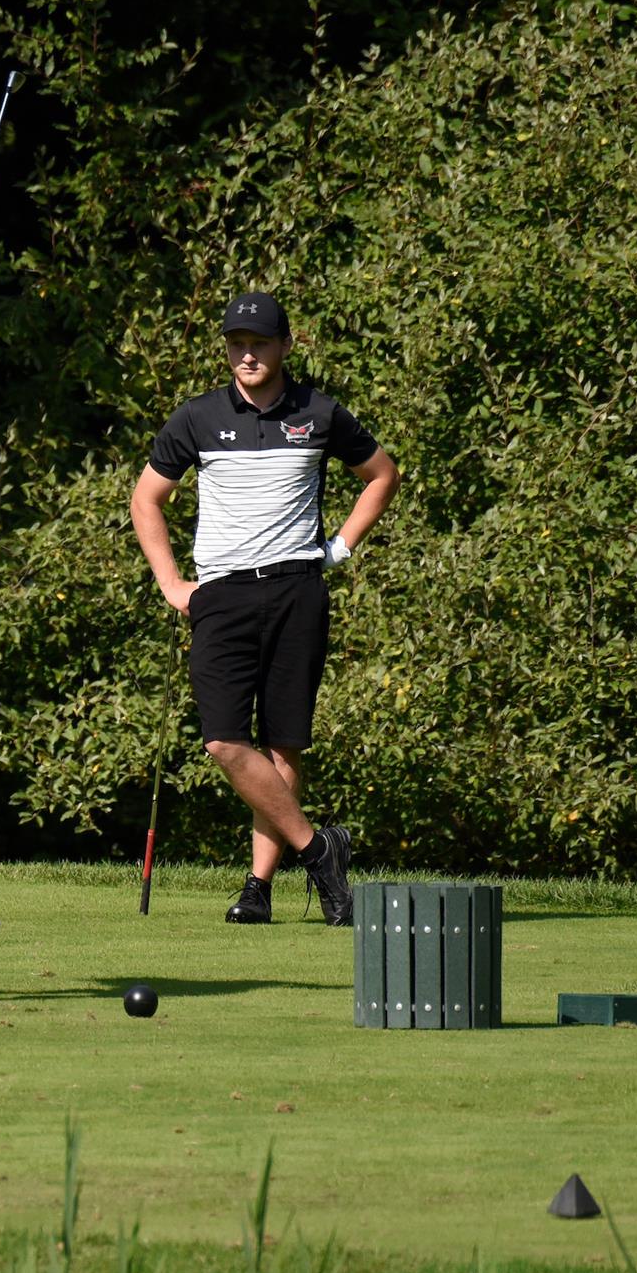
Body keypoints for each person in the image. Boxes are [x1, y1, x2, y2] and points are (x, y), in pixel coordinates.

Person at [130, 292, 400, 926]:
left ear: (285, 345)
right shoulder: (197, 418)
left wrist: (338, 549)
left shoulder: (320, 413)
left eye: (259, 343)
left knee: (283, 748)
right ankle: (319, 850)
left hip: (297, 590)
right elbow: (147, 500)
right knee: (225, 742)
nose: (246, 354)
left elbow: (381, 474)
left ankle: (258, 888)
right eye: (236, 344)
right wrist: (172, 583)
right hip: (220, 594)